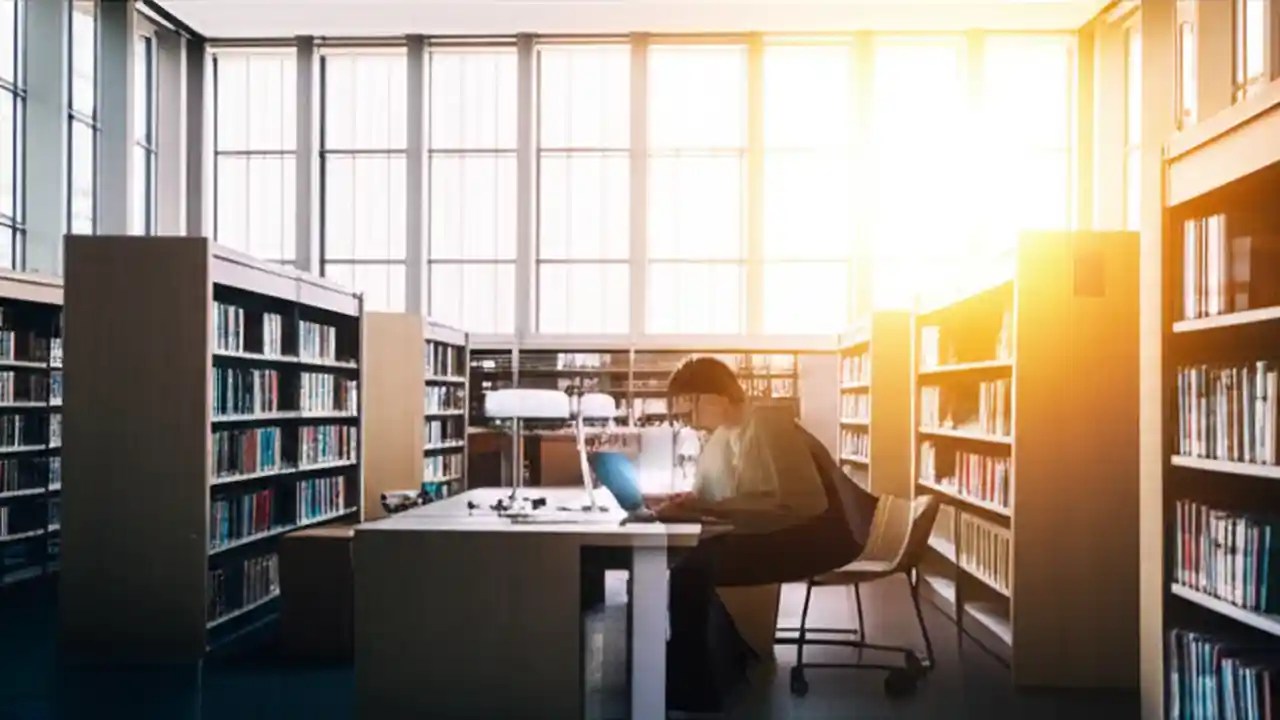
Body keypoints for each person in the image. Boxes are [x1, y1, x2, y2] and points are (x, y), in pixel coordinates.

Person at [656, 356, 879, 715]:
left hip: (824, 537)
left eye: (689, 412)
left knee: (692, 569)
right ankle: (716, 668)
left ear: (713, 399)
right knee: (693, 562)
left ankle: (696, 685)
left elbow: (800, 504)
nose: (688, 422)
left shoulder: (769, 425)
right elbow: (732, 496)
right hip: (792, 531)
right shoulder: (729, 432)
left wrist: (708, 509)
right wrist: (694, 503)